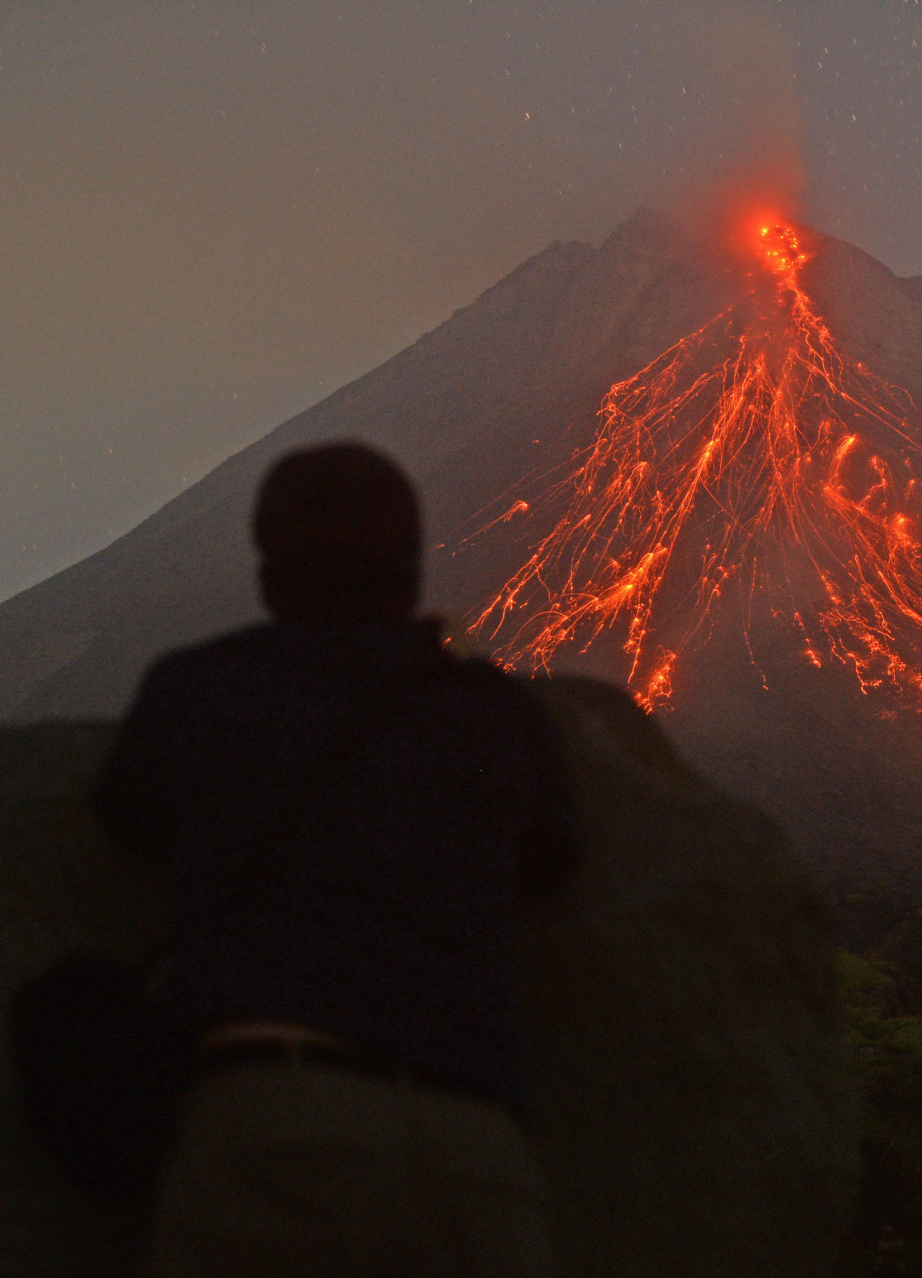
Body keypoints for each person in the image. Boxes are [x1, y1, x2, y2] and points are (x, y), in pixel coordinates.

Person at [93, 440, 577, 1277]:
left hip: (275, 1124)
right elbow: (551, 862)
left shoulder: (200, 691)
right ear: (412, 573)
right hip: (469, 1148)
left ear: (270, 575)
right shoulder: (492, 710)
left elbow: (127, 819)